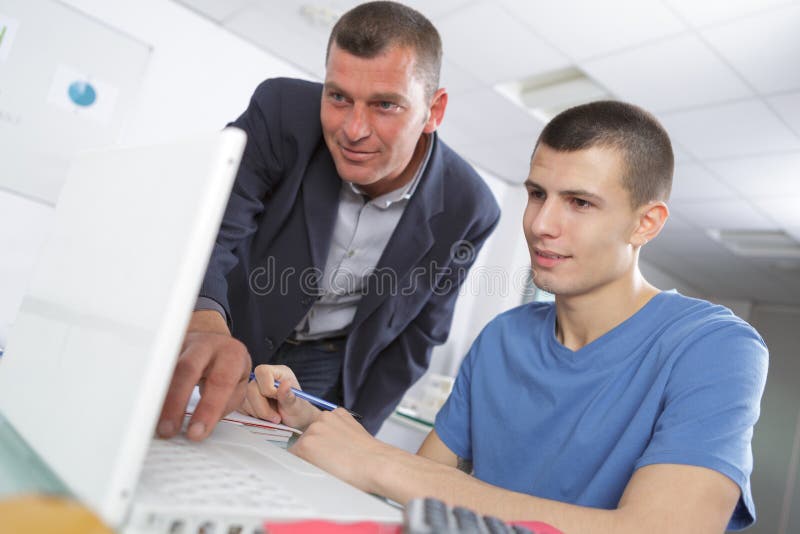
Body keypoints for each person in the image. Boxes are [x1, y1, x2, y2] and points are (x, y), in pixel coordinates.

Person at [248, 101, 769, 533]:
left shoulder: (714, 347)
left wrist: (379, 462)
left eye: (580, 203)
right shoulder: (503, 338)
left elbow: (660, 529)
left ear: (646, 223)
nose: (541, 224)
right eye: (537, 194)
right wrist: (319, 424)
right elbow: (416, 485)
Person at [156, 1, 500, 440]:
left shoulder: (470, 207)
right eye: (338, 97)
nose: (353, 130)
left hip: (328, 362)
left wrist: (358, 433)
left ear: (434, 110)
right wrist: (205, 319)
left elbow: (418, 336)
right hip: (235, 322)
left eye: (385, 105)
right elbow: (213, 222)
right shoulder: (280, 111)